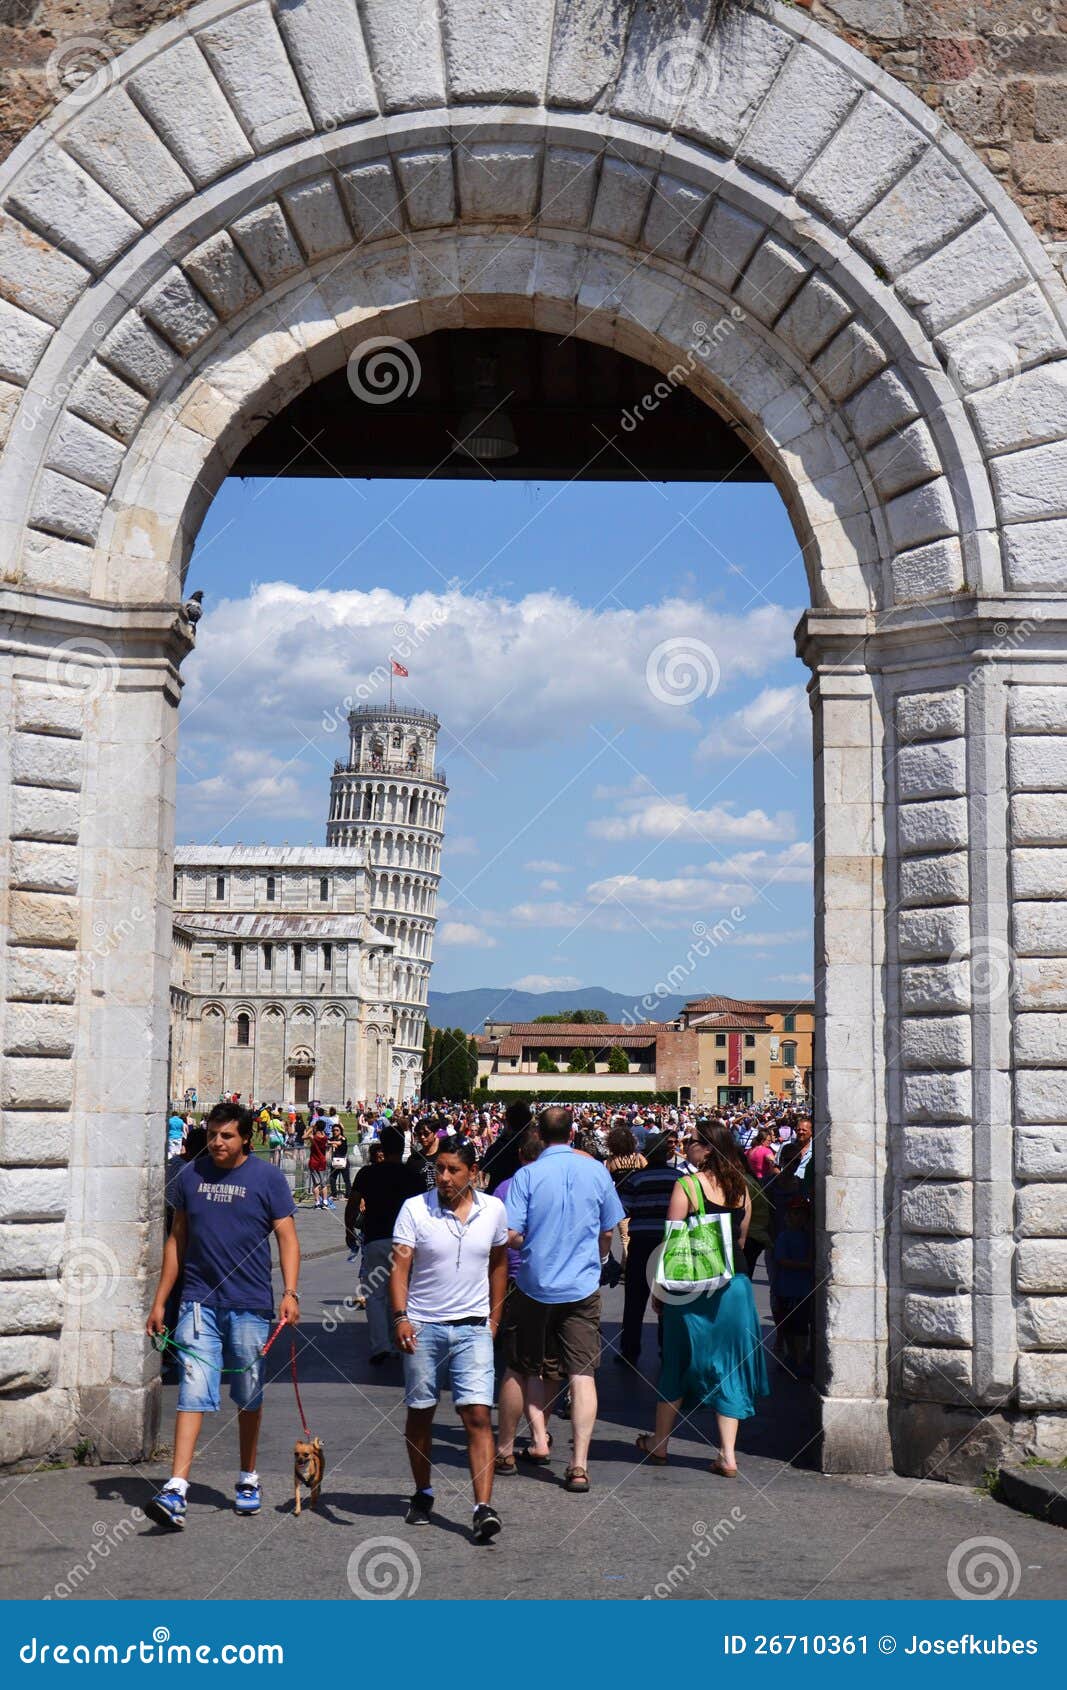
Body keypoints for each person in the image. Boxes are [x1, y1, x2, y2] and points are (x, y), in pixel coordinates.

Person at [145, 1103, 300, 1528]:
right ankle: (177, 1486)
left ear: (246, 1138)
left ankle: (248, 1476)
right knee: (193, 1387)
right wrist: (161, 1301)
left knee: (248, 1391)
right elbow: (176, 1241)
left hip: (250, 1301)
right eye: (213, 1134)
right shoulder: (191, 1176)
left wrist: (289, 1291)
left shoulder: (267, 1178)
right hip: (198, 1300)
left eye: (227, 1135)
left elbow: (287, 1237)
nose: (217, 1142)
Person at [390, 1137, 509, 1543]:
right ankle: (423, 1492)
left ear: (472, 1172)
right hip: (423, 1326)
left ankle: (482, 1508)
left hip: (473, 1327)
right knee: (421, 1412)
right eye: (438, 1169)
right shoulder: (414, 1209)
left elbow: (499, 1263)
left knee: (477, 1414)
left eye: (453, 1170)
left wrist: (495, 1317)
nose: (443, 1177)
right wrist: (401, 1316)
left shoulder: (493, 1209)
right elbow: (400, 1266)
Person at [634, 1119, 768, 1477]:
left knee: (678, 1360)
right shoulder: (743, 1188)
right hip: (735, 1287)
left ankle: (659, 1442)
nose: (685, 1146)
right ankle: (727, 1454)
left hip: (692, 1288)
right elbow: (740, 1240)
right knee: (729, 1366)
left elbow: (672, 1244)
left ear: (707, 1149)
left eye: (691, 1141)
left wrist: (659, 1292)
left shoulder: (687, 1186)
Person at [503, 1107, 625, 1494]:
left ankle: (522, 1443)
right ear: (572, 1132)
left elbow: (510, 1234)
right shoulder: (596, 1171)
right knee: (582, 1374)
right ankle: (579, 1464)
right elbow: (608, 1230)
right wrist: (602, 1259)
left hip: (535, 1283)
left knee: (525, 1367)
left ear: (540, 1132)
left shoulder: (527, 1175)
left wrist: (537, 1242)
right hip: (581, 1284)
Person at [345, 1124, 423, 1363]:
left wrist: (349, 1229)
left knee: (376, 1295)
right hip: (405, 1241)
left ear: (382, 1146)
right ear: (403, 1148)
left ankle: (381, 1346)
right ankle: (403, 1339)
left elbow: (353, 1203)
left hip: (375, 1237)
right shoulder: (413, 1176)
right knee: (403, 1291)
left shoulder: (367, 1174)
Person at [615, 1132, 680, 1368]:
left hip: (641, 1241)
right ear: (666, 1153)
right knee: (668, 1299)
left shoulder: (636, 1179)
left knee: (634, 1300)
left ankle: (629, 1350)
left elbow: (622, 1209)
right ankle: (667, 1349)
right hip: (669, 1243)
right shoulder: (679, 1177)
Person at [770, 1194, 814, 1374]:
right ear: (788, 1215)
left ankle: (800, 1358)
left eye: (802, 1213)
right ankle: (793, 1356)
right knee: (789, 1326)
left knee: (802, 1327)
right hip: (787, 1289)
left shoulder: (808, 1237)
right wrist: (805, 1265)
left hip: (802, 1289)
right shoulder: (784, 1237)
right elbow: (781, 1260)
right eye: (795, 1213)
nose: (799, 1217)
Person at [604, 1122, 645, 1285]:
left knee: (625, 1237)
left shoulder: (612, 1160)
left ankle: (629, 1270)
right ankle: (625, 1266)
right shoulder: (638, 1158)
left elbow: (607, 1181)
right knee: (630, 1236)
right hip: (638, 1199)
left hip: (621, 1200)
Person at [479, 1099, 532, 1194]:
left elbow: (486, 1166)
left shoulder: (501, 1146)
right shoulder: (535, 1146)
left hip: (501, 1193)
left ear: (508, 1123)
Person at [407, 1117, 442, 1192]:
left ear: (435, 1134)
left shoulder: (445, 1156)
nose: (422, 1137)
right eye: (419, 1134)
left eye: (426, 1134)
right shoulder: (413, 1159)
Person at [328, 1121, 351, 1199]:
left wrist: (331, 1143)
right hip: (335, 1161)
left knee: (346, 1179)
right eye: (334, 1130)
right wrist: (331, 1143)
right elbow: (326, 1142)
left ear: (340, 1131)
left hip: (343, 1161)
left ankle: (348, 1195)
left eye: (337, 1130)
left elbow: (339, 1143)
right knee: (332, 1178)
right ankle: (334, 1194)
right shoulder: (332, 1138)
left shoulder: (343, 1138)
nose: (335, 1131)